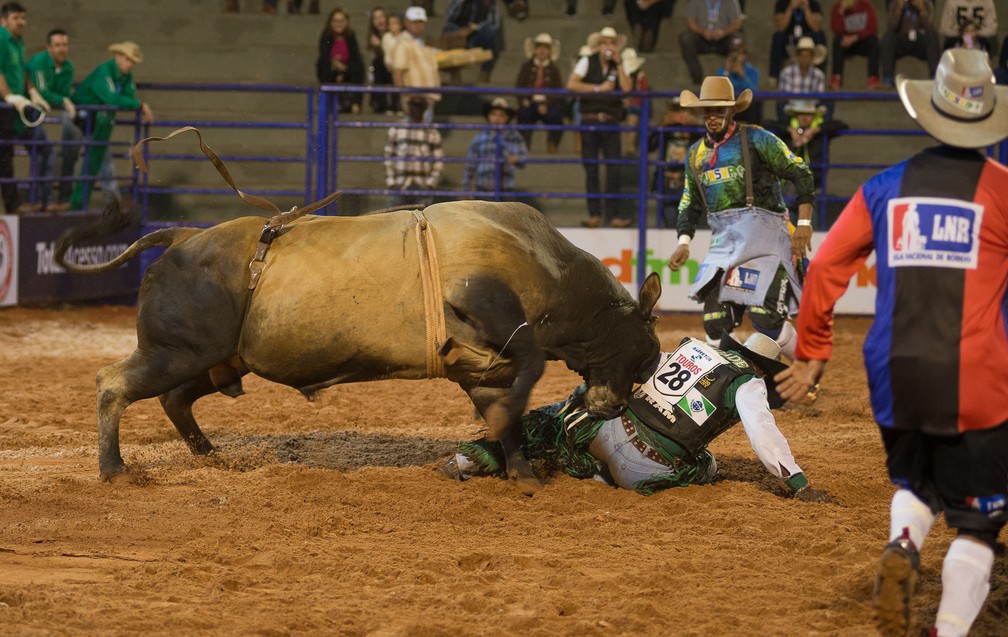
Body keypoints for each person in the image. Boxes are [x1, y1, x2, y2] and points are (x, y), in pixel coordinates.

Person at [776, 48, 1008, 637]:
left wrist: (814, 349)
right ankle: (946, 630)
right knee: (979, 525)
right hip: (977, 376)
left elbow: (825, 263)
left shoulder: (885, 186)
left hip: (894, 371)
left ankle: (904, 541)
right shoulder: (1002, 192)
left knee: (915, 483)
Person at [443, 332, 829, 502]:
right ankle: (601, 476)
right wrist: (796, 481)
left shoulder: (690, 350)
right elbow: (764, 436)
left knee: (550, 420)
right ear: (762, 368)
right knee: (707, 465)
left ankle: (466, 460)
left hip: (602, 429)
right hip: (641, 468)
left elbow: (638, 370)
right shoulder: (748, 384)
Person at [667, 76, 815, 358]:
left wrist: (804, 224)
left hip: (767, 238)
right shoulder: (695, 155)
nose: (712, 117)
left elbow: (800, 172)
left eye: (719, 110)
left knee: (766, 319)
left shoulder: (757, 138)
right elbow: (690, 202)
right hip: (725, 244)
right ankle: (730, 382)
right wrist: (684, 241)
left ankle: (806, 367)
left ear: (732, 111)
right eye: (707, 111)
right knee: (715, 321)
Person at [69, 41, 154, 212]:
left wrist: (134, 103)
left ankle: (89, 204)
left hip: (96, 119)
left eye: (132, 61)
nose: (130, 64)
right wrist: (138, 104)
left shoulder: (124, 76)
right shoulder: (104, 71)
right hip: (79, 116)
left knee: (97, 159)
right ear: (118, 57)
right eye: (128, 60)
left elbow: (126, 97)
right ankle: (104, 203)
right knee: (90, 159)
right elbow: (112, 99)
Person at [567, 27, 632, 229]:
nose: (608, 46)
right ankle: (594, 214)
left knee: (614, 168)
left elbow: (627, 88)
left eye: (612, 43)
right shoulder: (587, 61)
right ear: (598, 45)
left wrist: (619, 63)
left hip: (611, 120)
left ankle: (613, 215)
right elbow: (572, 84)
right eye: (605, 42)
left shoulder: (620, 64)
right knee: (591, 168)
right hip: (590, 119)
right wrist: (597, 88)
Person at [0, 2, 49, 215]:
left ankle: (15, 205)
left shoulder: (17, 42)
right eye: (15, 18)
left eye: (23, 18)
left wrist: (32, 91)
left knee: (6, 155)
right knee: (4, 155)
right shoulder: (1, 38)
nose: (21, 22)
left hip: (11, 108)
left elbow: (22, 69)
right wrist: (8, 95)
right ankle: (13, 205)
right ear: (4, 20)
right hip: (3, 104)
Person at [27, 27, 76, 212]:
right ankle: (42, 200)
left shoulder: (68, 66)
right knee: (44, 152)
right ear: (48, 47)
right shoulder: (38, 62)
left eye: (64, 45)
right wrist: (61, 100)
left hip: (36, 113)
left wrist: (60, 98)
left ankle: (48, 200)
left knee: (52, 150)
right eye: (57, 45)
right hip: (25, 112)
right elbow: (44, 93)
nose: (61, 49)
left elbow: (60, 93)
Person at [649, 96, 702, 227]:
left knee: (688, 224)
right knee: (670, 223)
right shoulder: (666, 130)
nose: (679, 114)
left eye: (683, 110)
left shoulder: (697, 130)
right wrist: (660, 127)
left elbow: (711, 146)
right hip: (668, 181)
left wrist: (697, 125)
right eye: (675, 110)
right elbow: (649, 146)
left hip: (690, 182)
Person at [383, 95, 443, 208]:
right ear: (409, 107)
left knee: (422, 222)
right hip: (400, 185)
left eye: (420, 106)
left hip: (422, 186)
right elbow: (388, 156)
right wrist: (391, 182)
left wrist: (430, 183)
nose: (417, 109)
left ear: (424, 109)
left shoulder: (432, 132)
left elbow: (438, 160)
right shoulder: (397, 129)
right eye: (414, 106)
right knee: (394, 220)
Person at [462, 97, 527, 198]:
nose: (497, 118)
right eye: (493, 114)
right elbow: (470, 163)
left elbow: (523, 158)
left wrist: (516, 158)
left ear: (507, 118)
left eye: (501, 115)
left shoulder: (514, 136)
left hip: (505, 190)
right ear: (488, 116)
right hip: (483, 189)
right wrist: (466, 187)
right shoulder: (480, 137)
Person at [514, 32, 565, 153]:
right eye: (539, 47)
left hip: (547, 103)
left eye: (545, 48)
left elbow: (558, 90)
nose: (542, 51)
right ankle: (525, 144)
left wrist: (547, 103)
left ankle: (552, 143)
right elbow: (519, 86)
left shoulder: (553, 69)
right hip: (530, 102)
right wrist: (523, 100)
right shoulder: (526, 66)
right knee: (523, 115)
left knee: (557, 119)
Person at [389, 6, 441, 121]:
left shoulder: (422, 44)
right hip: (414, 101)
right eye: (414, 22)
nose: (418, 25)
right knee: (413, 134)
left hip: (427, 98)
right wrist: (404, 97)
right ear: (406, 22)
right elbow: (398, 72)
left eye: (421, 22)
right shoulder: (403, 44)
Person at [678, 0, 744, 86]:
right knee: (686, 38)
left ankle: (733, 75)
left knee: (737, 41)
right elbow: (691, 22)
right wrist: (702, 32)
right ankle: (696, 75)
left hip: (724, 38)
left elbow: (736, 23)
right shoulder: (695, 1)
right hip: (702, 37)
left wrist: (723, 32)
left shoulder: (731, 2)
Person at [315, 7, 365, 114]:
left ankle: (355, 103)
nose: (339, 24)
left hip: (347, 69)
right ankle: (324, 102)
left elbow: (355, 56)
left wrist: (344, 69)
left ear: (346, 22)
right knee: (323, 64)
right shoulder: (326, 35)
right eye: (336, 21)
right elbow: (324, 55)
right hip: (331, 69)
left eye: (341, 21)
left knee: (359, 67)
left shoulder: (350, 36)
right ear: (331, 22)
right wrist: (335, 63)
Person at [881, 0, 940, 87]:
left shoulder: (927, 3)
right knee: (887, 38)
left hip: (919, 40)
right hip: (901, 39)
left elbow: (930, 29)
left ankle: (934, 77)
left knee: (932, 38)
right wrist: (898, 9)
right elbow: (890, 28)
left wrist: (922, 10)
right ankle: (888, 77)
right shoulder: (895, 3)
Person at [769, 0, 828, 87]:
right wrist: (790, 8)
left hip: (807, 40)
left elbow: (816, 27)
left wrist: (807, 9)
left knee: (820, 36)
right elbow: (781, 27)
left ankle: (820, 74)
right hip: (789, 40)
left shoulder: (813, 3)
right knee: (777, 37)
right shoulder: (782, 3)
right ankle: (774, 76)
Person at [441, 0, 501, 83]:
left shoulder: (491, 2)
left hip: (477, 34)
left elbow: (494, 23)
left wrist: (473, 28)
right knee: (449, 28)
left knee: (491, 32)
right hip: (458, 34)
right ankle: (455, 72)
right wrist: (460, 2)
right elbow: (448, 18)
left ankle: (485, 72)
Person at [829, 0, 881, 89]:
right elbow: (836, 29)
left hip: (861, 41)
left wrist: (856, 37)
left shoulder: (866, 6)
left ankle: (873, 77)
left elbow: (873, 28)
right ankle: (836, 77)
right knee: (837, 40)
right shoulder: (837, 8)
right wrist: (841, 12)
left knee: (873, 41)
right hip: (845, 42)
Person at [777, 36, 828, 121]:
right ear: (797, 56)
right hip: (792, 109)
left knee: (828, 103)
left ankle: (815, 130)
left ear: (812, 57)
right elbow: (784, 96)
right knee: (780, 104)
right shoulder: (786, 72)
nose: (804, 59)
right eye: (802, 56)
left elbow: (819, 97)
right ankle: (789, 129)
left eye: (807, 56)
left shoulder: (819, 75)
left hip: (811, 110)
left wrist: (807, 110)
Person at [715, 36, 761, 124]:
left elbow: (754, 91)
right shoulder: (722, 70)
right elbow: (719, 91)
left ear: (745, 54)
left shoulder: (753, 71)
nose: (736, 55)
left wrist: (742, 75)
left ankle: (753, 134)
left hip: (746, 106)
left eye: (740, 52)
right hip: (729, 105)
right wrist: (727, 73)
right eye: (733, 51)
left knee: (756, 104)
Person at [620, 47, 648, 155]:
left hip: (636, 105)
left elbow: (642, 94)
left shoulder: (641, 76)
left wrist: (630, 102)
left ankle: (630, 147)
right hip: (622, 105)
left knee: (633, 112)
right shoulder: (622, 75)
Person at [366, 7, 393, 114]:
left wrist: (381, 45)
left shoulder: (393, 34)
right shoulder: (372, 38)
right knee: (377, 64)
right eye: (375, 18)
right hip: (380, 71)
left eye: (381, 16)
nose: (379, 20)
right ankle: (379, 103)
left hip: (393, 67)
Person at [381, 12, 405, 114]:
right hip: (390, 66)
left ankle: (401, 106)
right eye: (390, 23)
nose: (393, 26)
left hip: (402, 66)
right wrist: (389, 63)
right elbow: (387, 52)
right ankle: (391, 105)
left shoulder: (404, 37)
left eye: (395, 23)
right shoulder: (387, 37)